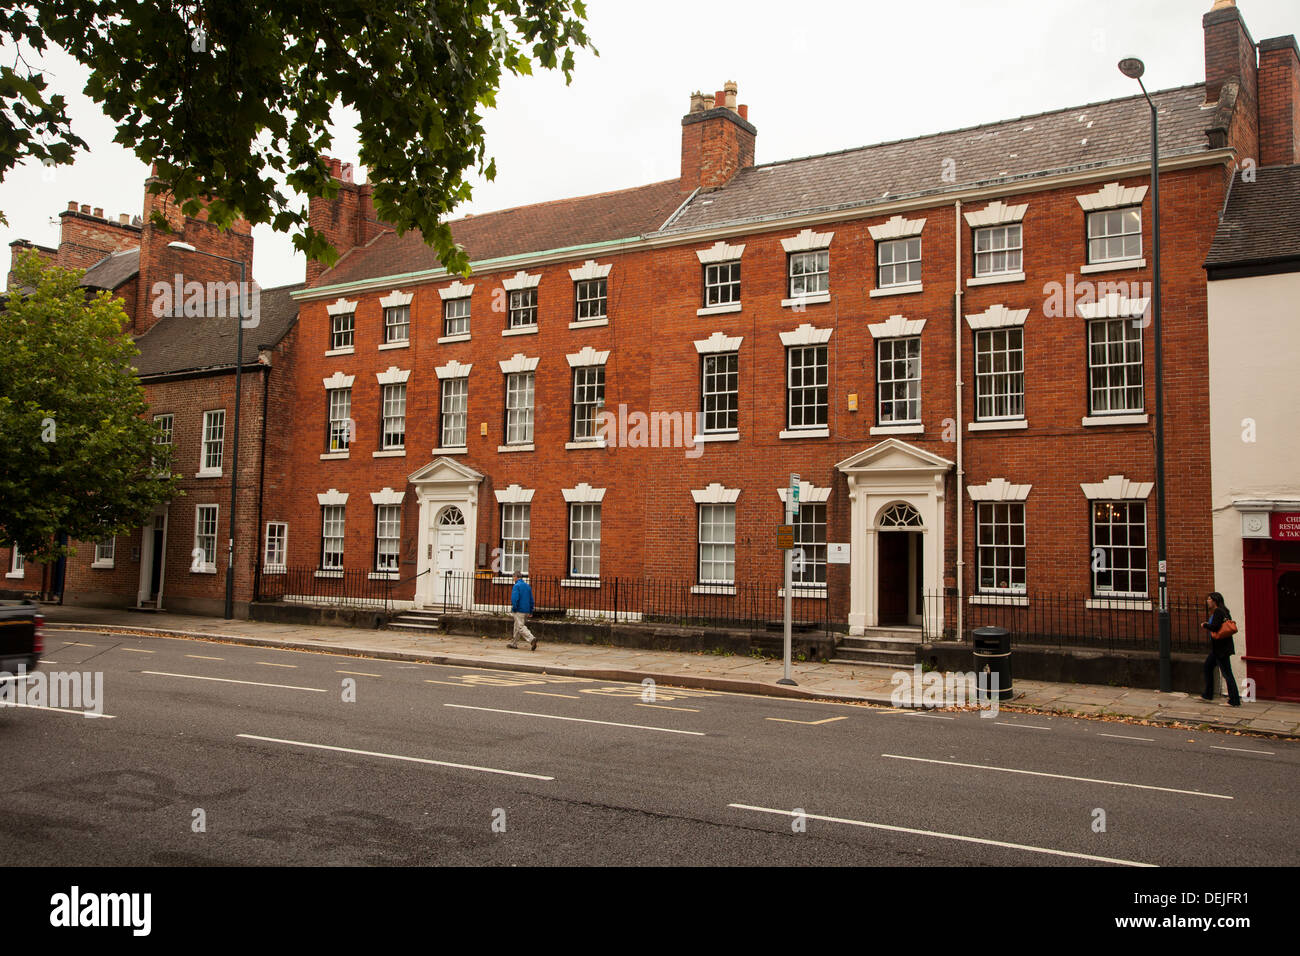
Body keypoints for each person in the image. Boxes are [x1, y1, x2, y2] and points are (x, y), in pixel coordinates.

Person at [1200, 591, 1241, 706]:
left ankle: (1234, 700)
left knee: (1227, 674)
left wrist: (1205, 625)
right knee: (1208, 667)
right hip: (1220, 649)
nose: (1207, 601)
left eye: (1209, 599)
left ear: (1214, 601)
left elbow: (1216, 627)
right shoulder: (1225, 611)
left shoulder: (1218, 612)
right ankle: (1208, 694)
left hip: (1221, 649)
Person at [508, 570, 538, 651]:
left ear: (516, 577)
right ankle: (514, 643)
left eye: (513, 577)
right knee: (517, 626)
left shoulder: (516, 586)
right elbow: (531, 599)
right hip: (527, 610)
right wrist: (531, 610)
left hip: (519, 609)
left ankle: (531, 639)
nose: (513, 579)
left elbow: (515, 598)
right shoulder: (527, 586)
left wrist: (514, 608)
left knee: (520, 627)